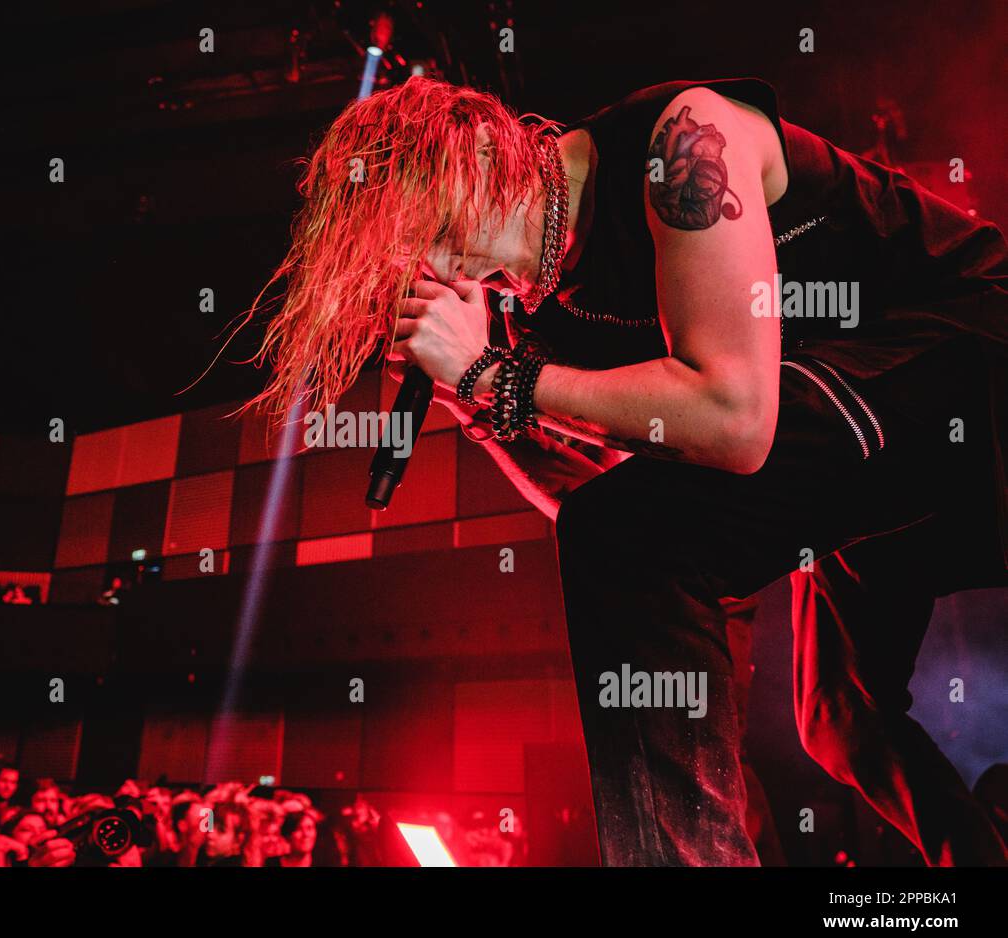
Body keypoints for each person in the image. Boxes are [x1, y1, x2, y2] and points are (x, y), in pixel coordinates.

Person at [246, 76, 1008, 866]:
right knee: (840, 716)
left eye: (402, 221)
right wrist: (483, 403)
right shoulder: (533, 315)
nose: (406, 259)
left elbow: (732, 419)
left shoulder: (681, 139)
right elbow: (619, 500)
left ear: (470, 150)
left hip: (967, 349)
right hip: (851, 426)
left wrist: (492, 376)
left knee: (628, 532)